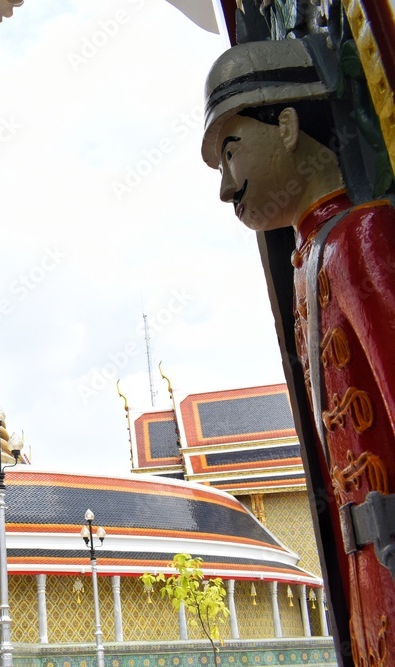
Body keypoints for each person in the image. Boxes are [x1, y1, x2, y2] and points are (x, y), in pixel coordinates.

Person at [203, 36, 395, 661]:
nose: (228, 189)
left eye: (231, 154)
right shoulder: (310, 258)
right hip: (365, 578)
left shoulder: (362, 237)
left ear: (286, 125)